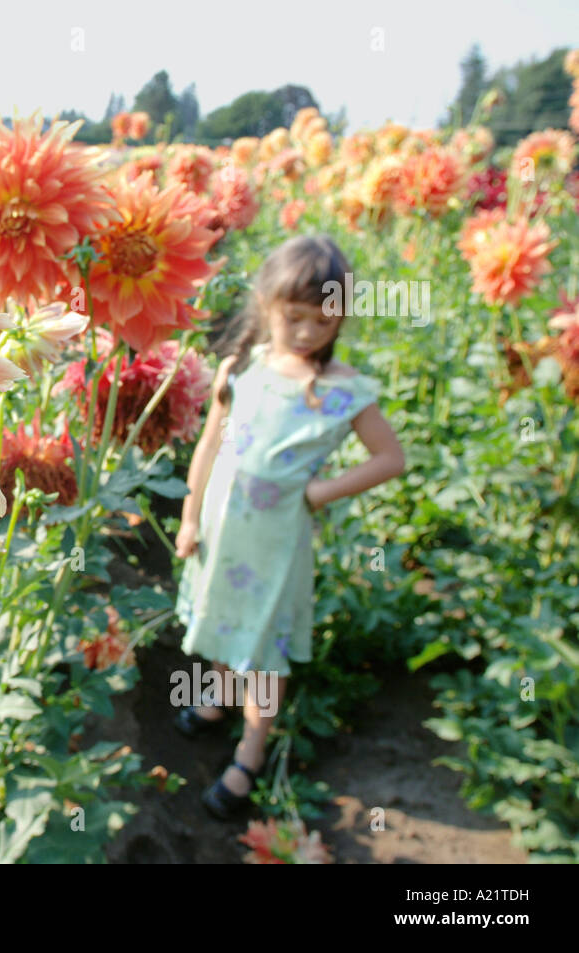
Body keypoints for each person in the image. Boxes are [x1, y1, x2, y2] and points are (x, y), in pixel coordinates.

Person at [171, 234, 406, 820]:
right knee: (224, 620)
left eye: (324, 322)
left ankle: (250, 755)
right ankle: (215, 704)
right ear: (268, 305)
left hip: (275, 545)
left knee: (265, 647)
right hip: (224, 532)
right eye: (295, 319)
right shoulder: (242, 367)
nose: (307, 334)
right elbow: (208, 447)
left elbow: (390, 459)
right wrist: (190, 515)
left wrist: (320, 491)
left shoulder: (340, 389)